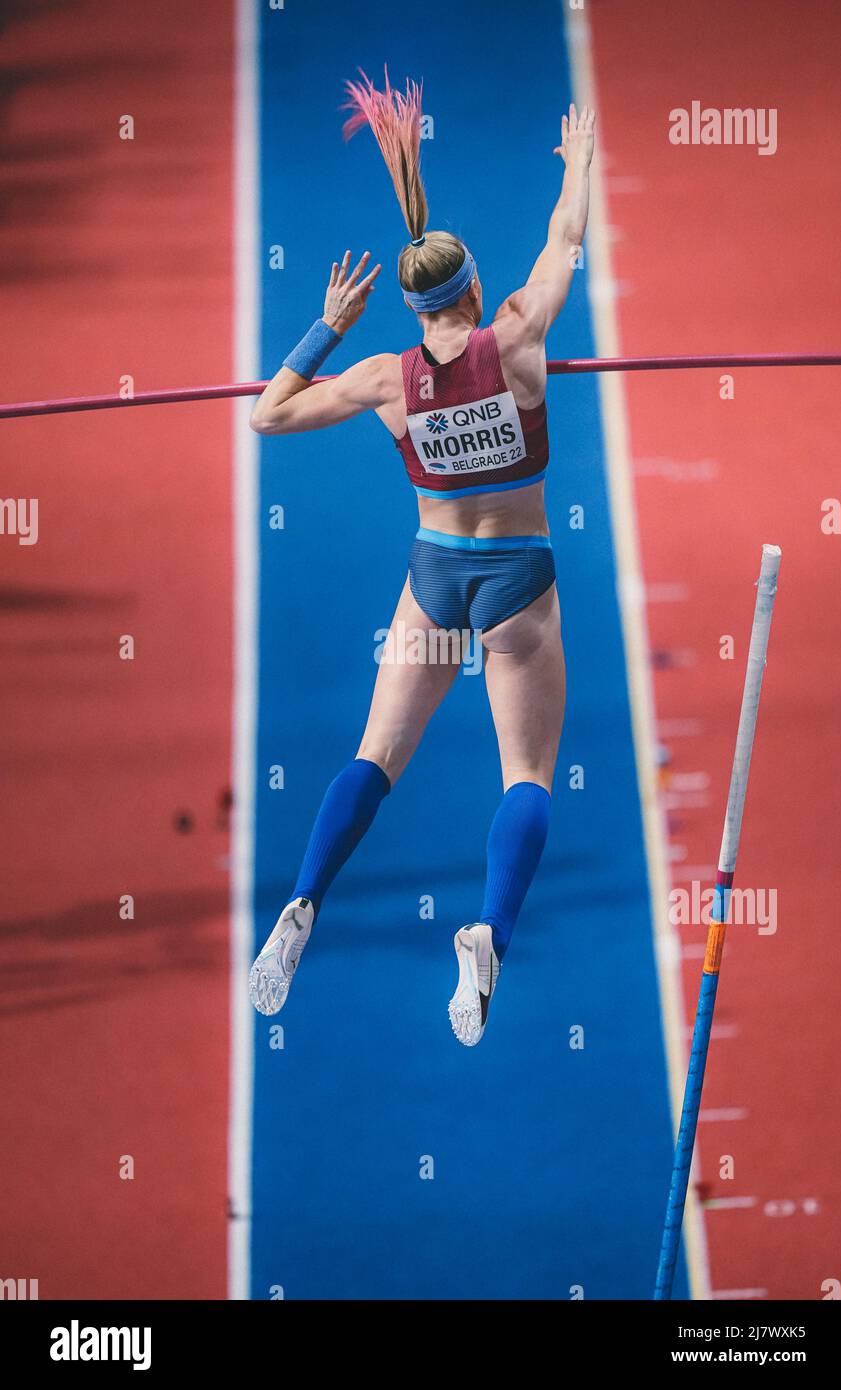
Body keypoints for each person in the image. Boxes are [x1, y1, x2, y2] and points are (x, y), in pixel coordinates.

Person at [248, 72, 595, 1045]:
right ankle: (488, 932)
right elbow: (565, 242)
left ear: (411, 309)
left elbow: (266, 414)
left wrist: (330, 326)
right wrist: (575, 169)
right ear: (475, 290)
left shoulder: (381, 380)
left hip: (433, 578)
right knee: (526, 771)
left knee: (376, 753)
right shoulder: (519, 337)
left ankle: (305, 900)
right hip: (516, 580)